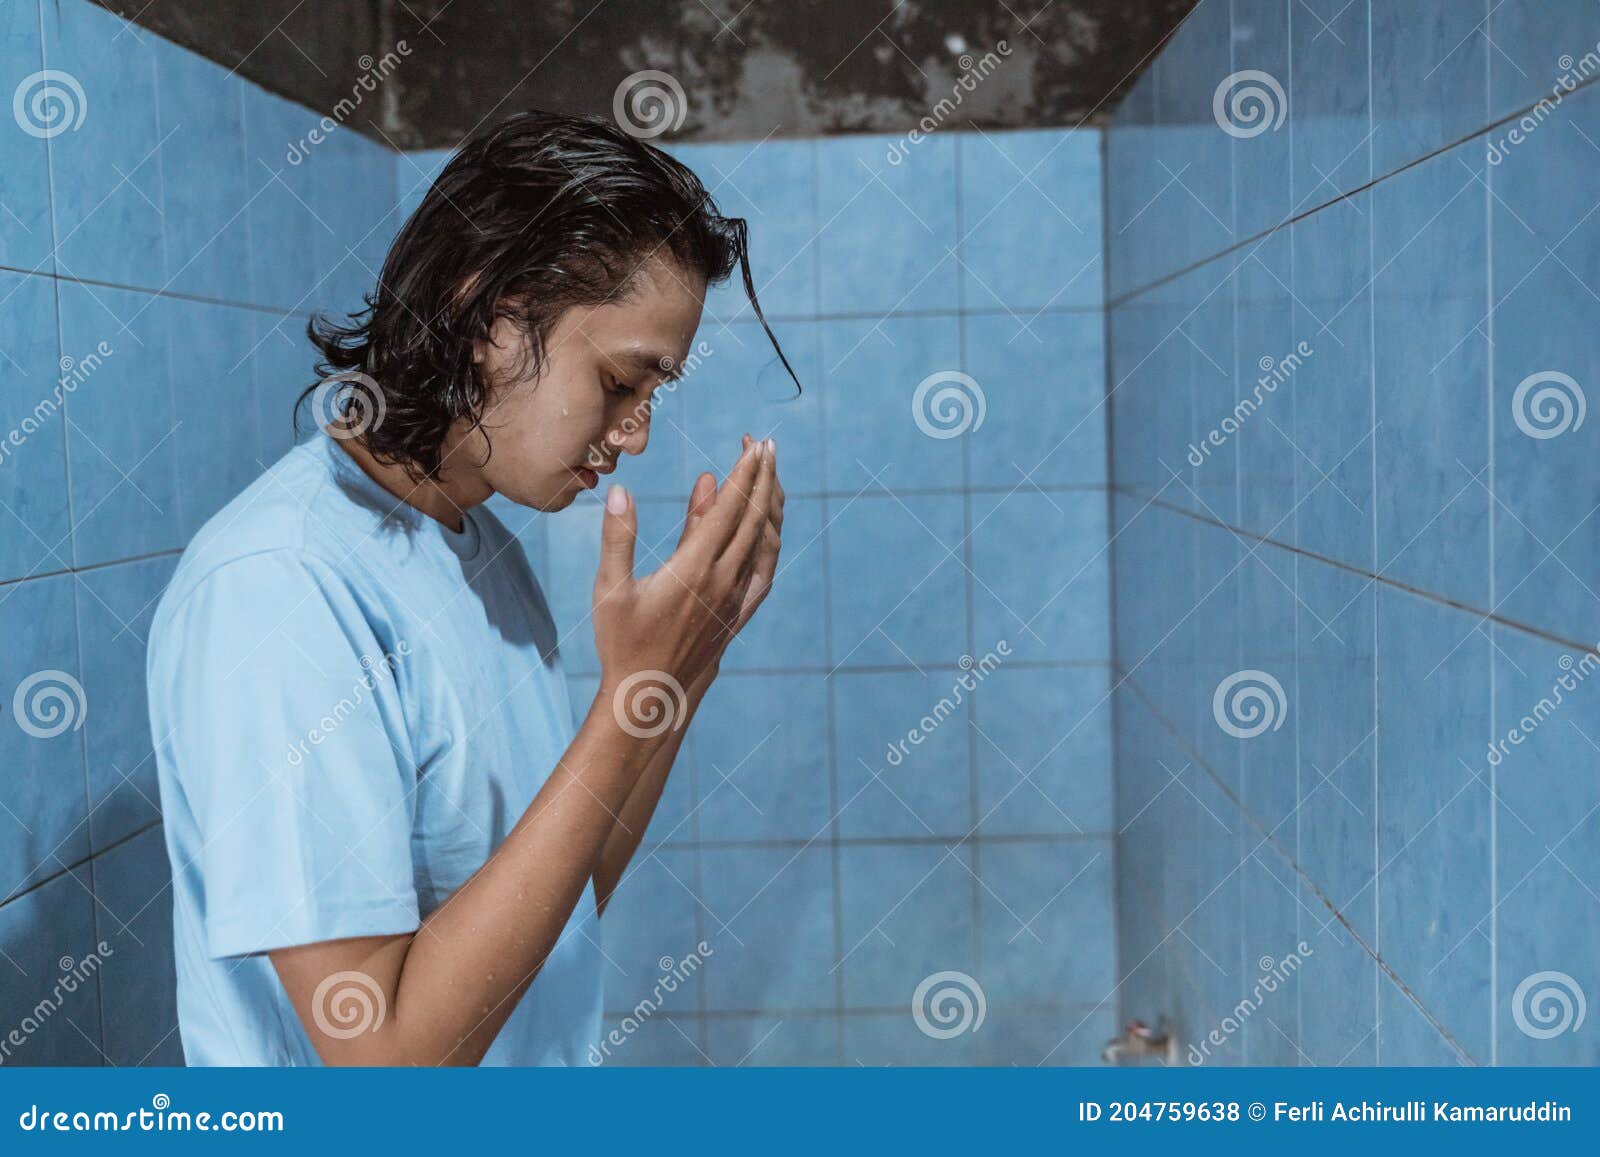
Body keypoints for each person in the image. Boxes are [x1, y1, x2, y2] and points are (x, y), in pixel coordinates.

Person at [145, 110, 794, 1066]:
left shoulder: (480, 551)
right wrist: (625, 700)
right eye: (621, 382)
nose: (637, 434)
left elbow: (557, 903)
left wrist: (677, 672)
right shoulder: (280, 590)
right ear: (487, 311)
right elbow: (386, 1063)